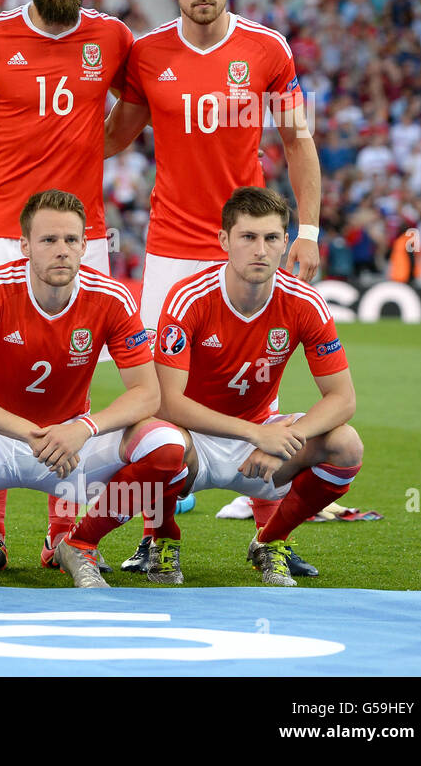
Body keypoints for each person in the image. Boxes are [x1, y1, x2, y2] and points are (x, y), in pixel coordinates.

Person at [104, 0, 324, 573]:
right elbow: (113, 135)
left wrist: (308, 231)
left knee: (259, 382)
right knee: (158, 397)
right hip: (172, 249)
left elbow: (298, 141)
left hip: (249, 243)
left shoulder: (267, 49)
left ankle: (270, 536)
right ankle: (160, 535)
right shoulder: (146, 53)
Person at [0, 0, 135, 572]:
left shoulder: (113, 38)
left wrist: (86, 151)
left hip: (84, 231)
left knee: (75, 374)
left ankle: (63, 531)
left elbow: (130, 117)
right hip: (3, 230)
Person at [0, 189, 187, 588]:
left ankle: (81, 543)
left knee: (167, 446)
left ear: (84, 246)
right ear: (25, 246)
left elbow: (147, 394)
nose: (62, 250)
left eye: (71, 240)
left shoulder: (111, 297)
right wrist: (30, 432)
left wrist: (83, 428)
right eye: (48, 240)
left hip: (72, 446)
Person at [145, 187, 362, 585]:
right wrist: (256, 434)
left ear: (285, 243)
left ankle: (270, 541)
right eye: (248, 237)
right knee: (158, 443)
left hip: (261, 439)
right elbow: (166, 403)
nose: (261, 250)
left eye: (271, 238)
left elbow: (343, 398)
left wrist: (286, 438)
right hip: (192, 439)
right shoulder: (188, 298)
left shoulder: (306, 302)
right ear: (224, 240)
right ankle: (163, 540)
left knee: (347, 445)